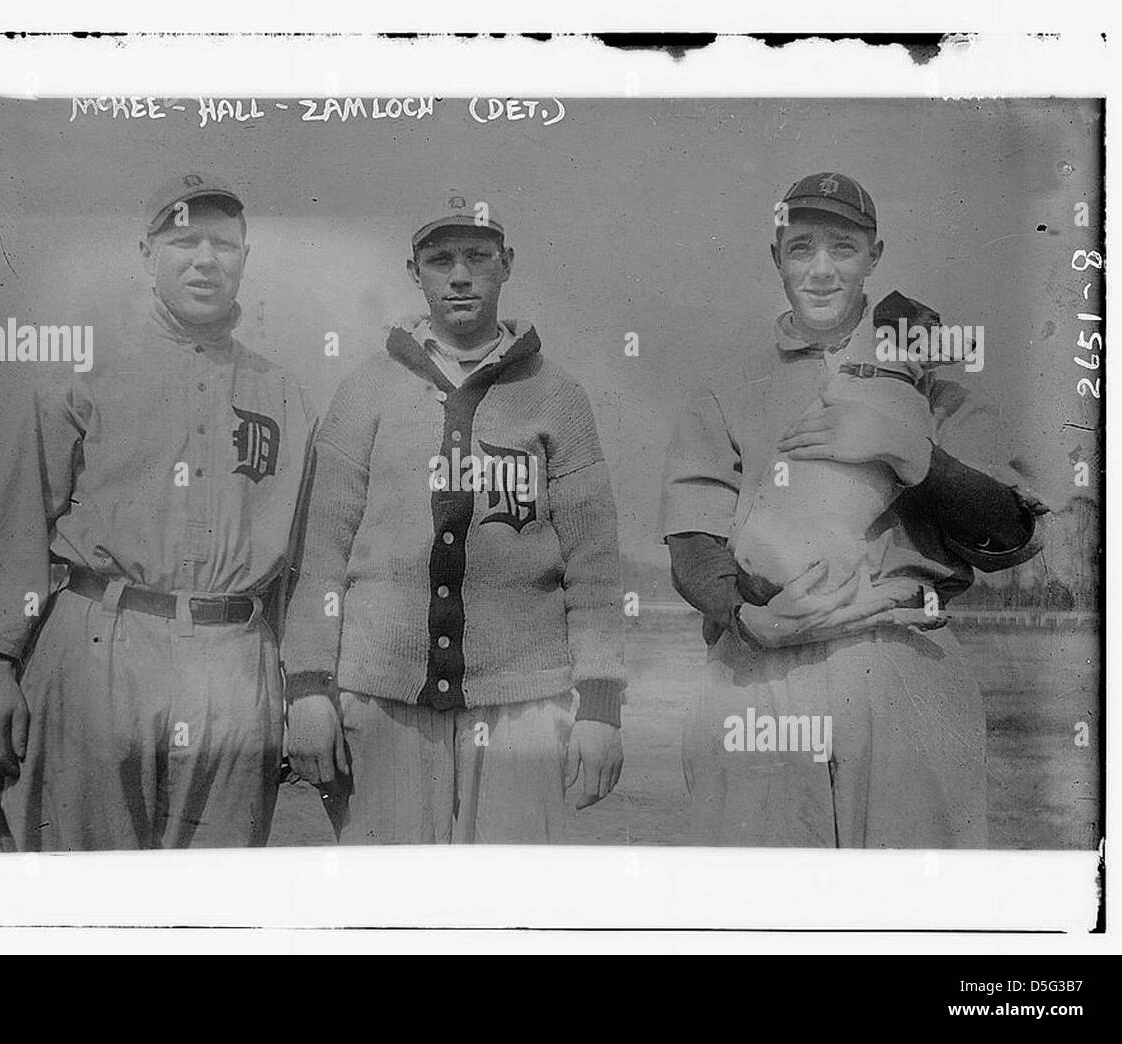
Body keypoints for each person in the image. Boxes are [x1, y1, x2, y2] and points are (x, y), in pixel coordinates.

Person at [659, 172, 1047, 848]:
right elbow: (692, 540)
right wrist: (749, 616)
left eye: (843, 247)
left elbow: (1010, 529)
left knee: (914, 919)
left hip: (901, 659)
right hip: (760, 663)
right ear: (776, 258)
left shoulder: (938, 392)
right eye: (801, 247)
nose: (821, 269)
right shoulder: (726, 390)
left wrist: (913, 453)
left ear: (874, 255)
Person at [0, 172, 316, 850]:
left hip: (233, 657)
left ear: (245, 260)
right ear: (147, 254)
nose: (205, 259)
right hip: (101, 644)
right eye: (184, 240)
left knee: (216, 906)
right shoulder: (88, 371)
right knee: (82, 894)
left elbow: (303, 561)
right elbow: (20, 519)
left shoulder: (283, 392)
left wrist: (301, 684)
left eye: (223, 245)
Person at [282, 191, 626, 843]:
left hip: (523, 707)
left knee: (510, 910)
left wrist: (601, 708)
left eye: (477, 257)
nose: (460, 274)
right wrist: (307, 690)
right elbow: (320, 563)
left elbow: (596, 576)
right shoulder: (364, 392)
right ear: (415, 272)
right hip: (381, 703)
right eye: (441, 260)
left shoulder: (559, 398)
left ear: (507, 264)